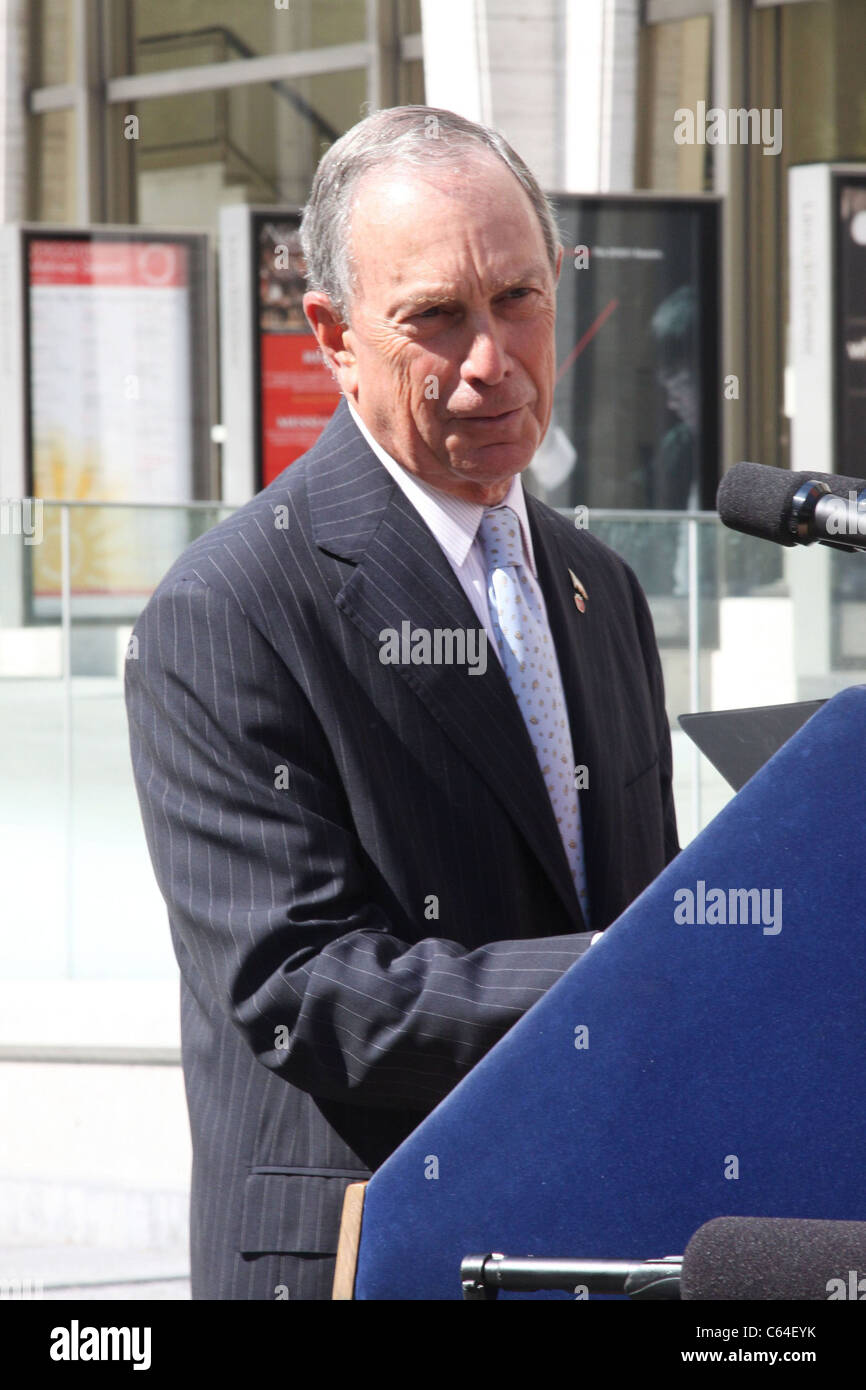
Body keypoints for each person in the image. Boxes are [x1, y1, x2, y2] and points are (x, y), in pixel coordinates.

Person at [125, 105, 679, 1302]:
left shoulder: (602, 587)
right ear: (331, 334)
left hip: (602, 1240)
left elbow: (634, 887)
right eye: (435, 317)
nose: (491, 360)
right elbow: (304, 990)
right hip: (373, 1254)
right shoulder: (228, 608)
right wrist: (630, 970)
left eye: (520, 299)